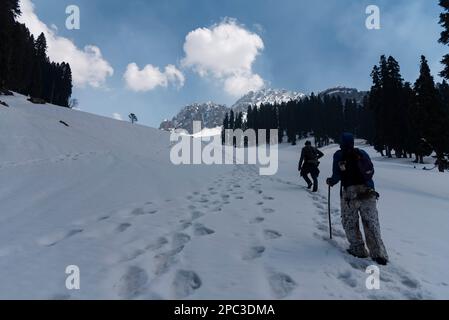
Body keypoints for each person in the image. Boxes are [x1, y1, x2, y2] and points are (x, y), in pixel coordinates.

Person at [326, 133, 389, 266]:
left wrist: (330, 181)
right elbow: (370, 171)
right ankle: (378, 253)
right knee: (371, 222)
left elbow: (336, 176)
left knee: (350, 221)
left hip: (350, 193)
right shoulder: (362, 153)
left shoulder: (339, 155)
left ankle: (358, 249)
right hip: (368, 192)